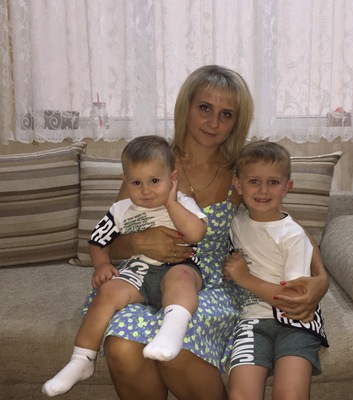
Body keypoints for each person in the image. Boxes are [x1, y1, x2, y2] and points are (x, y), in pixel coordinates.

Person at [83, 65, 329, 400]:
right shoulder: (152, 165)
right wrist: (139, 241)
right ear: (186, 106)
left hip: (208, 283)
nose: (213, 122)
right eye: (204, 108)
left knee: (180, 349)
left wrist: (321, 278)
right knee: (121, 347)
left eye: (226, 114)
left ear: (237, 121)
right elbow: (108, 240)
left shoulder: (239, 173)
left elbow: (285, 225)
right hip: (143, 277)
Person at [42, 135, 208, 397]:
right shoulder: (120, 210)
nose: (146, 190)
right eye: (136, 183)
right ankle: (82, 359)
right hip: (138, 273)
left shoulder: (182, 202)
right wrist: (101, 265)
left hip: (180, 266)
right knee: (108, 291)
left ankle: (171, 332)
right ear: (125, 181)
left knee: (182, 279)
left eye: (155, 181)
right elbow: (97, 241)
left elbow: (197, 233)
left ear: (172, 178)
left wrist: (172, 203)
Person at [223, 140, 329, 400]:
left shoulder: (293, 235)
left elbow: (294, 300)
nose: (263, 190)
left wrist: (244, 279)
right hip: (251, 321)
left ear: (286, 188)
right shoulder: (234, 224)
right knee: (240, 395)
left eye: (273, 182)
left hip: (296, 323)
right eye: (254, 181)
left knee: (290, 394)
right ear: (238, 185)